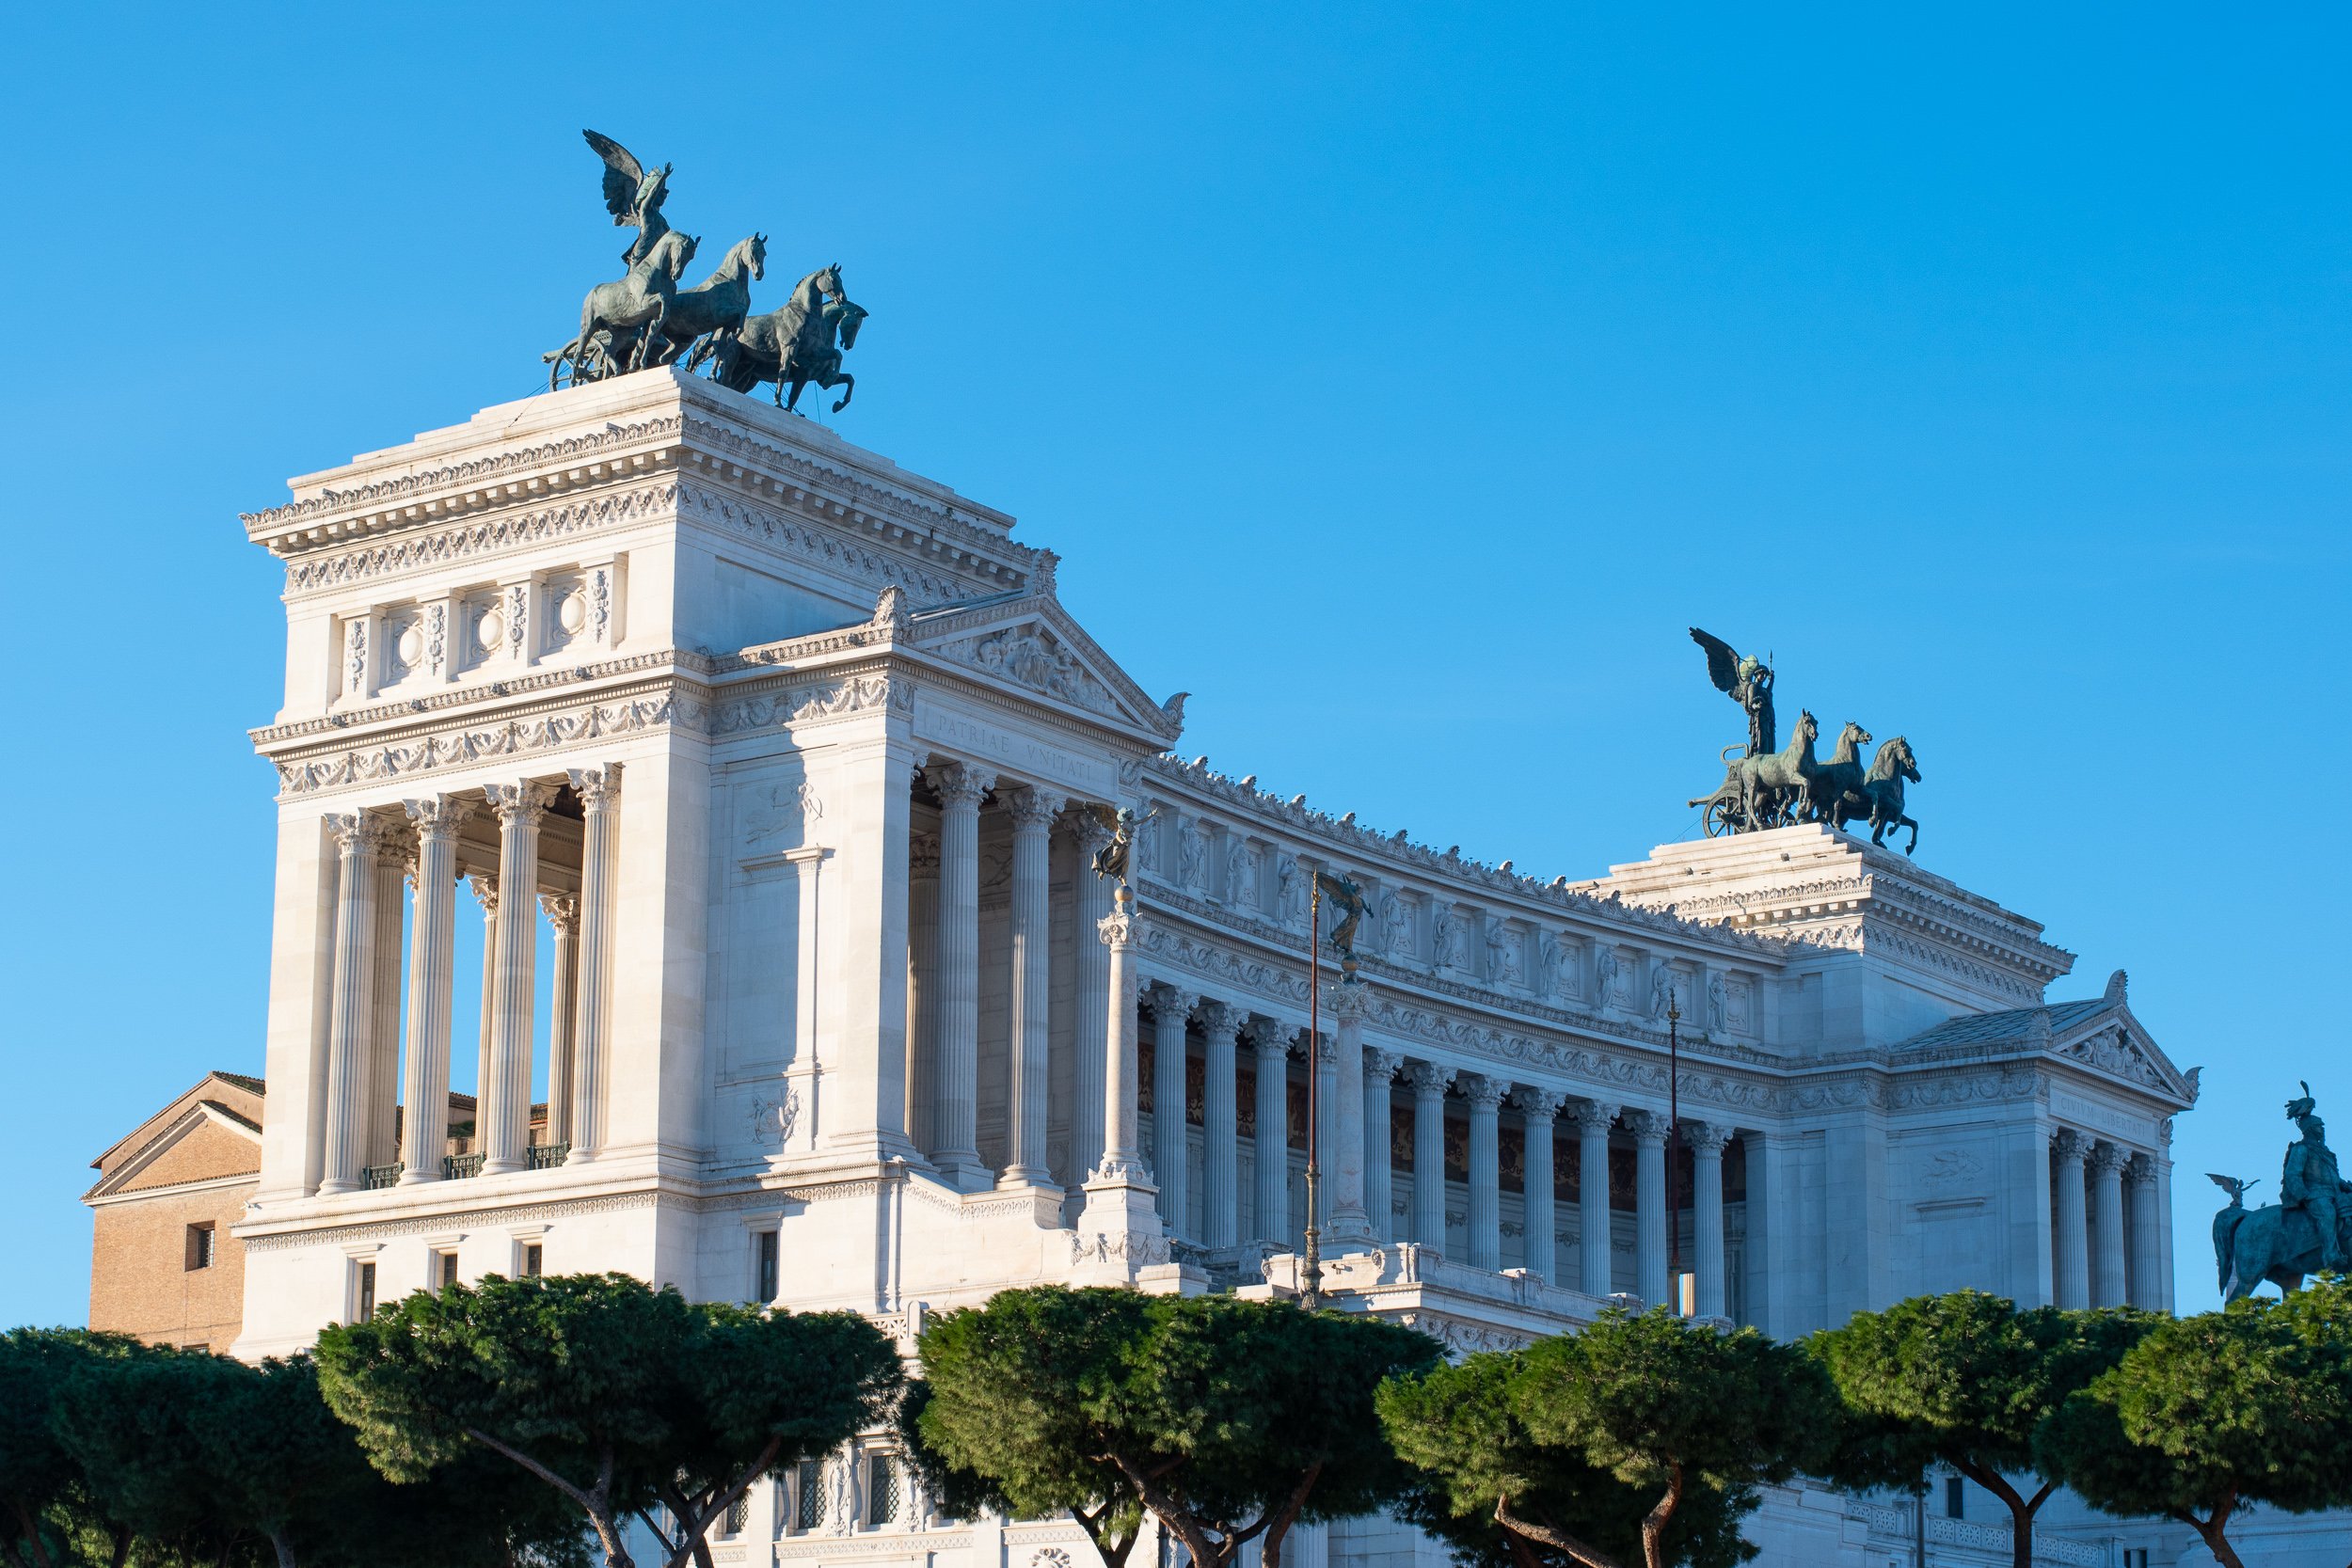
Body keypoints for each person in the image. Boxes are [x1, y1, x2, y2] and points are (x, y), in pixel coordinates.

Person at [2281, 1083, 2349, 1272]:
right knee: (2328, 1213)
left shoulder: (2326, 1152)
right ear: (2311, 1129)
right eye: (2319, 1126)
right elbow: (2292, 1175)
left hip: (2333, 1192)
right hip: (2315, 1195)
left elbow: (2334, 1177)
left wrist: (2346, 1186)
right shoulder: (2301, 1149)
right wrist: (2303, 1195)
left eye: (2322, 1126)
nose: (2322, 1129)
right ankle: (2331, 1254)